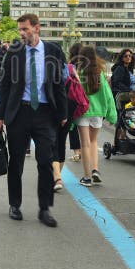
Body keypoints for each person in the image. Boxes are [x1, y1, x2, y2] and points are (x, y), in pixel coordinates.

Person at [0, 13, 66, 227]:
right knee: (16, 161)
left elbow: (60, 83)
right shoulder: (15, 52)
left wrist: (63, 113)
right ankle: (14, 205)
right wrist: (0, 116)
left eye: (25, 29)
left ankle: (44, 209)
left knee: (45, 161)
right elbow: (5, 84)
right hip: (20, 112)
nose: (22, 33)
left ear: (37, 28)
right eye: (20, 30)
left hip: (45, 113)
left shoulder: (53, 51)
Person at [75, 45, 116, 187]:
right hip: (98, 113)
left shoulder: (79, 74)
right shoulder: (99, 74)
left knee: (84, 143)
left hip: (83, 112)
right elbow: (108, 96)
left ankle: (86, 177)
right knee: (93, 142)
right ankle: (95, 170)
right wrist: (111, 115)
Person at [54, 43, 82, 189]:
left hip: (53, 108)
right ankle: (58, 176)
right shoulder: (69, 68)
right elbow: (78, 86)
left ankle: (56, 177)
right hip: (69, 106)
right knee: (61, 141)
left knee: (52, 141)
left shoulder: (48, 68)